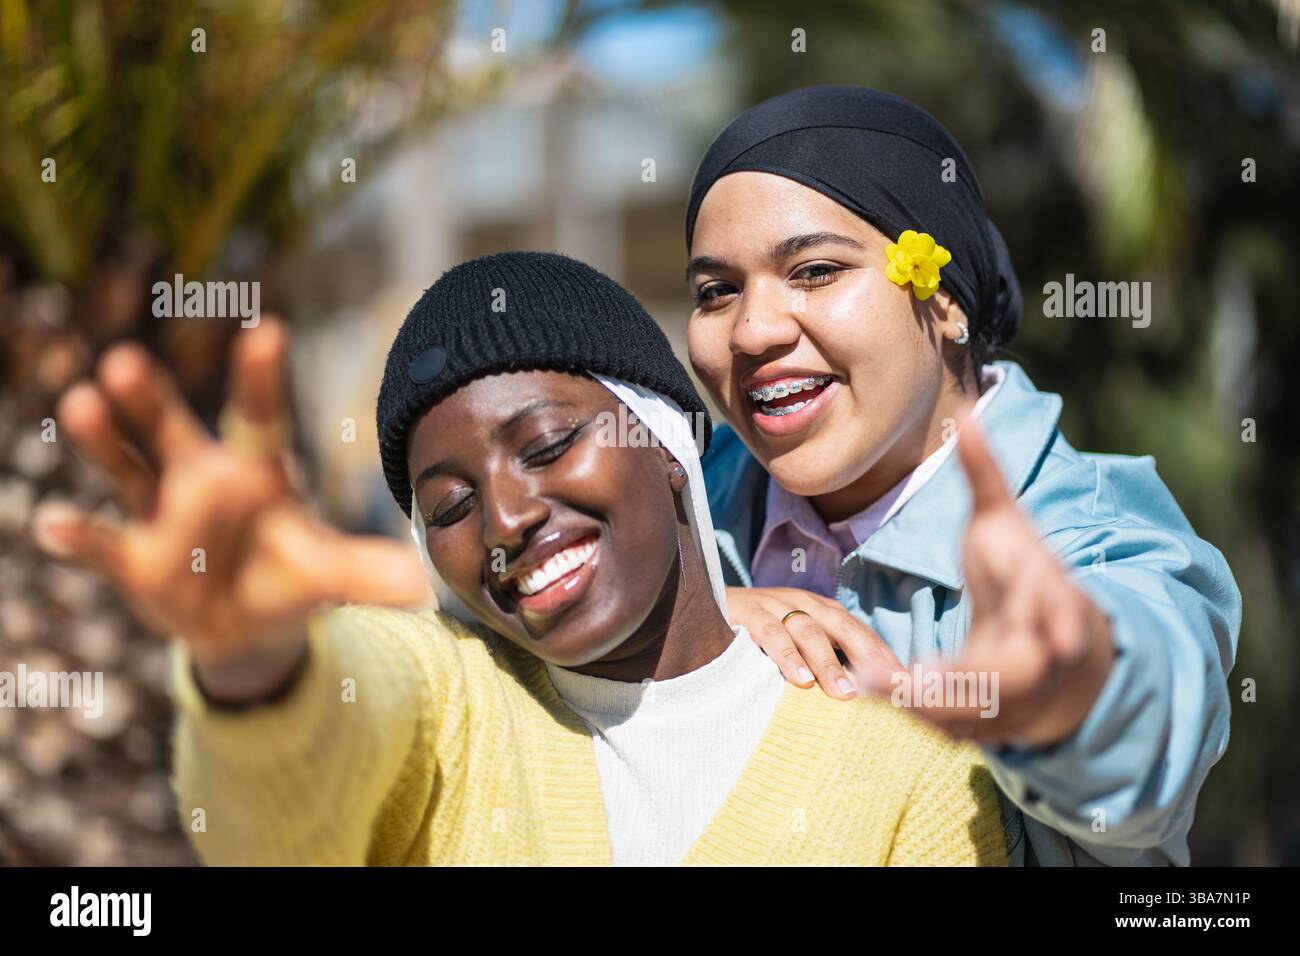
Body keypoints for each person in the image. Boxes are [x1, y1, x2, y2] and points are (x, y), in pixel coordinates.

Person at [32, 251, 1007, 866]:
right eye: (447, 505)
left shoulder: (896, 760)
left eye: (546, 447)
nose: (504, 518)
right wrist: (253, 663)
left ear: (668, 452)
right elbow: (283, 823)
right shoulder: (450, 700)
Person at [685, 85, 1241, 866]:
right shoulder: (680, 507)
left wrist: (1062, 687)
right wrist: (685, 618)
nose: (751, 329)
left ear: (944, 300)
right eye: (716, 291)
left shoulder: (1081, 530)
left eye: (813, 270)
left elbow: (1150, 727)